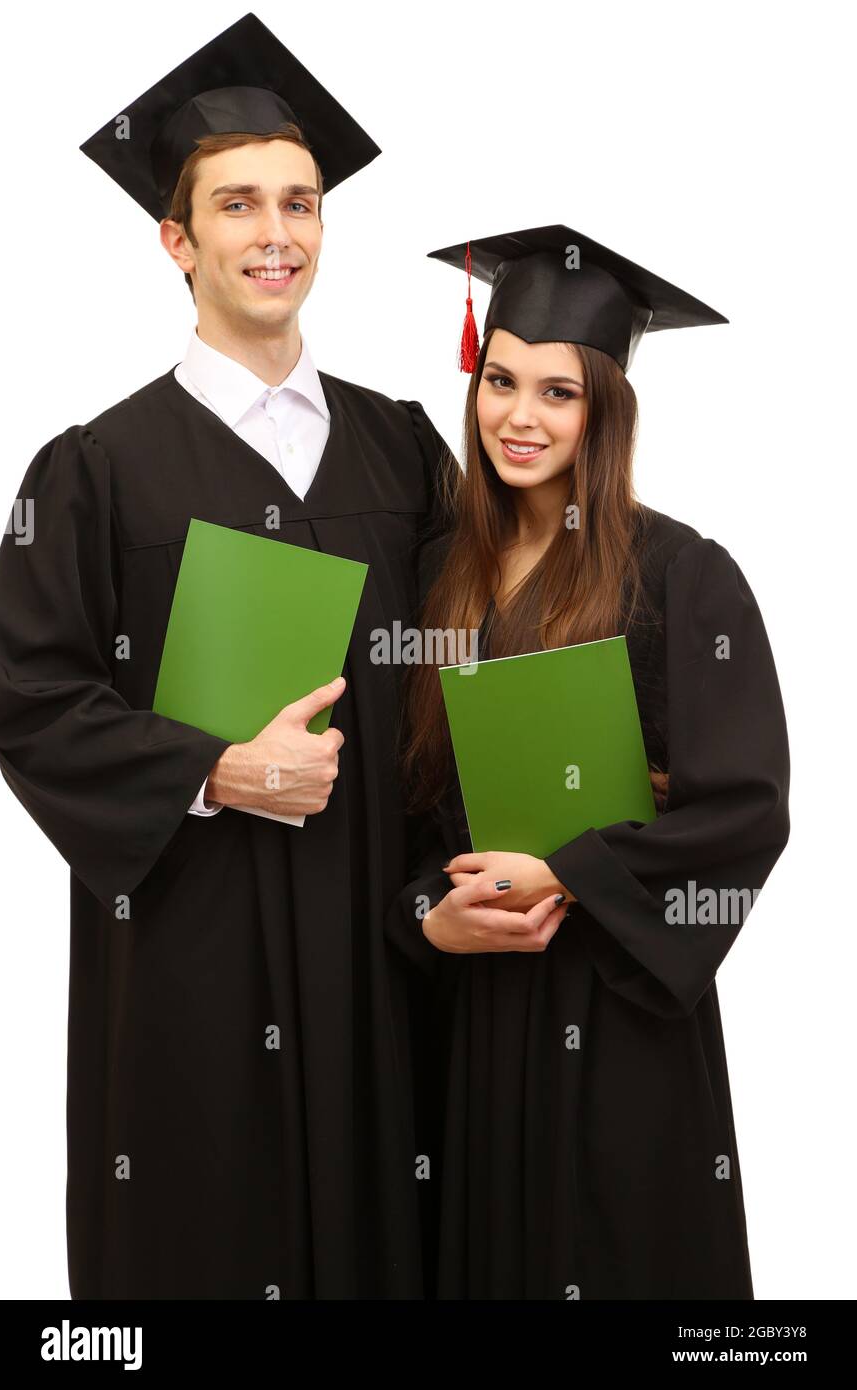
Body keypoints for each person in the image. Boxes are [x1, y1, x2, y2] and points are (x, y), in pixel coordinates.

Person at [0, 15, 456, 1299]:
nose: (276, 233)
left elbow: (461, 680)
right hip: (194, 946)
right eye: (237, 204)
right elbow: (28, 698)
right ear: (176, 239)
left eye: (299, 203)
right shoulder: (93, 469)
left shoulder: (403, 450)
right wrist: (212, 771)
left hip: (379, 943)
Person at [388, 224, 791, 1299]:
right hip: (476, 1013)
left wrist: (566, 871)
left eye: (557, 393)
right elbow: (411, 813)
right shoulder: (435, 574)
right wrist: (433, 906)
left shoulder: (681, 574)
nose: (518, 417)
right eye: (499, 380)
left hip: (617, 1011)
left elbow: (745, 809)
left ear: (603, 407)